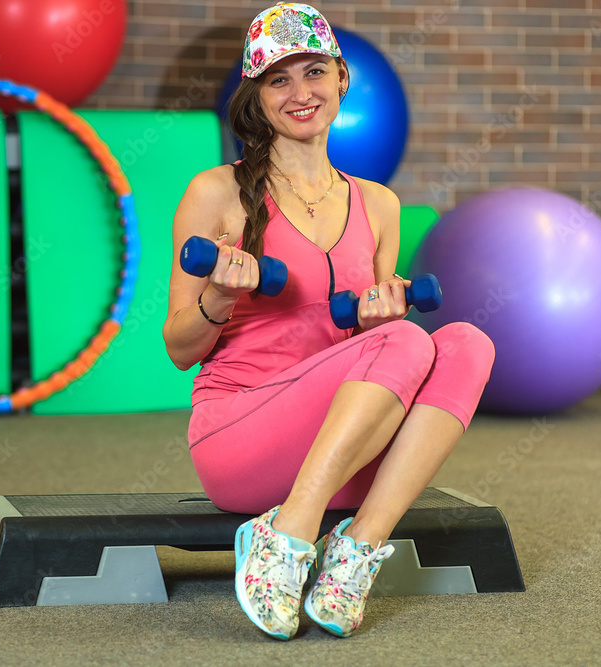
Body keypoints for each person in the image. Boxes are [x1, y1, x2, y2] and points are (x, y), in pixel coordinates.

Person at [162, 2, 495, 640]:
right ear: (256, 96)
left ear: (342, 79)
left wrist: (375, 318)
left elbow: (372, 351)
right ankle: (286, 533)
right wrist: (220, 297)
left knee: (466, 342)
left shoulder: (379, 203)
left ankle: (356, 550)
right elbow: (179, 349)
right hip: (241, 439)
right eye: (279, 79)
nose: (300, 93)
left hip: (342, 451)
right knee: (406, 340)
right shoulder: (216, 192)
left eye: (314, 72)